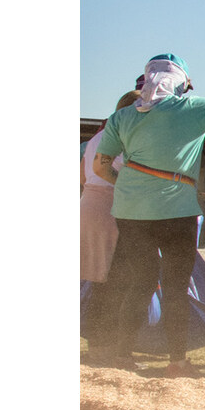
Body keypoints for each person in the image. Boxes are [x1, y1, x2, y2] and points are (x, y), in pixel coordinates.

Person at [90, 51, 205, 375]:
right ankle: (177, 361)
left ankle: (122, 355)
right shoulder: (189, 108)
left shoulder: (123, 117)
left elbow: (100, 165)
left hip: (131, 213)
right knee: (175, 287)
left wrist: (130, 185)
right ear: (181, 84)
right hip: (176, 211)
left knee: (140, 284)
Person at [81, 90, 136, 288]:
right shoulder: (126, 136)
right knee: (114, 278)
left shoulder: (97, 137)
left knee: (90, 275)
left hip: (88, 204)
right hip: (112, 207)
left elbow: (81, 175)